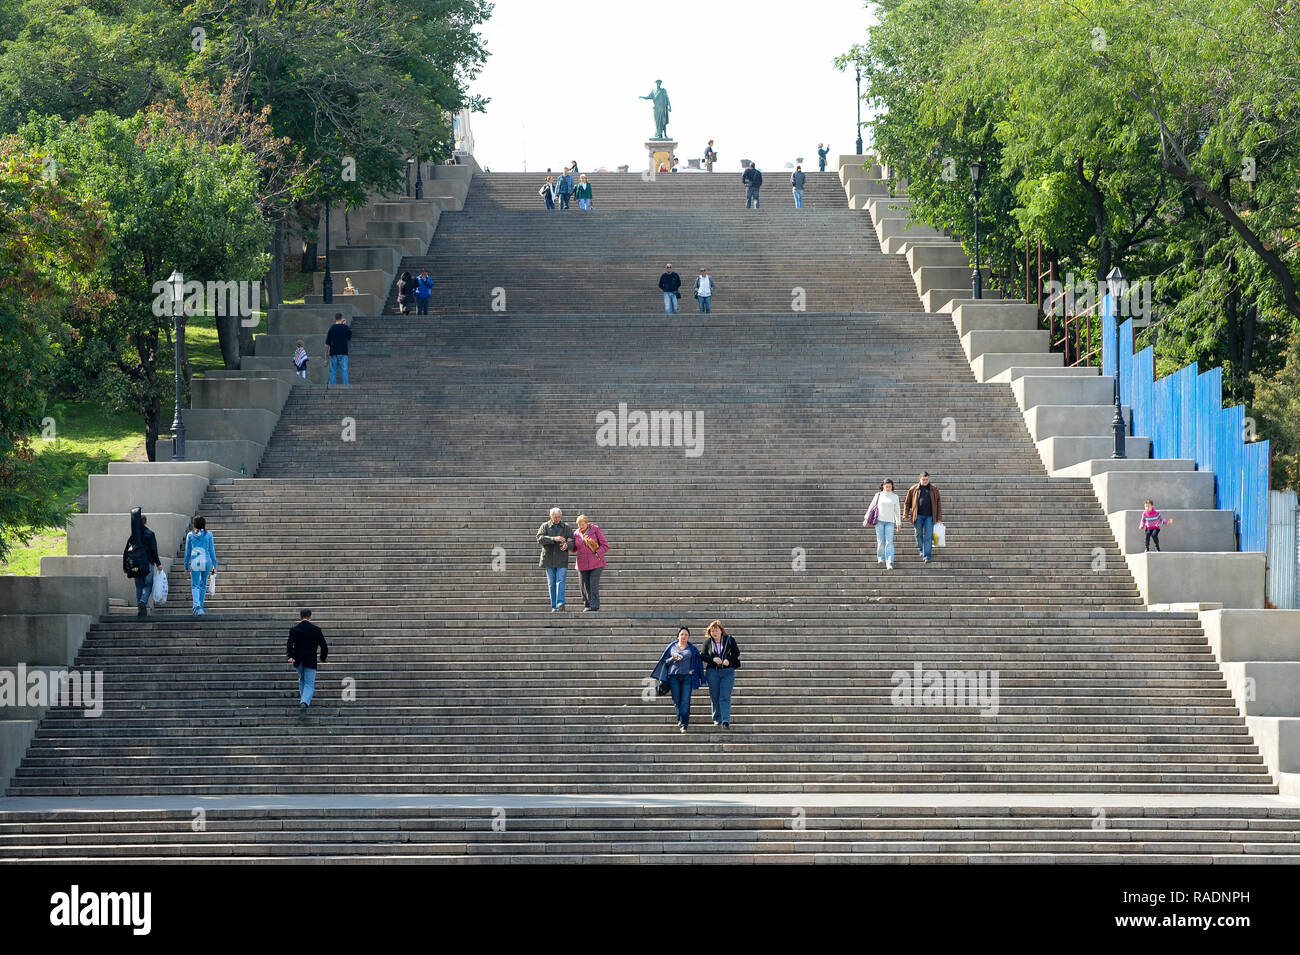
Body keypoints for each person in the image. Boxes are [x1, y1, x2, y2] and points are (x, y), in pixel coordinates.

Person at [651, 626, 704, 732]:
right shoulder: (672, 647)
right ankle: (679, 717)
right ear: (678, 636)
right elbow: (665, 662)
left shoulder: (692, 648)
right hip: (673, 677)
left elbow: (697, 662)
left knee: (685, 700)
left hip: (687, 677)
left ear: (688, 637)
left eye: (686, 635)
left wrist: (692, 670)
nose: (684, 636)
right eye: (682, 634)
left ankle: (684, 723)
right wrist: (673, 658)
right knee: (677, 700)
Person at [286, 609, 328, 717]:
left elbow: (289, 644)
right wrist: (322, 658)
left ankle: (303, 699)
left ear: (300, 617)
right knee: (309, 683)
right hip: (310, 660)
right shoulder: (316, 630)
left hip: (298, 659)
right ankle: (304, 702)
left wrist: (290, 656)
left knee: (302, 679)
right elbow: (324, 646)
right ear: (310, 617)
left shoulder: (294, 629)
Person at [122, 508, 162, 618]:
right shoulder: (150, 534)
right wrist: (158, 563)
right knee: (149, 585)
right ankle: (143, 601)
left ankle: (140, 610)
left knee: (139, 586)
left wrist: (125, 566)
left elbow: (126, 551)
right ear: (146, 522)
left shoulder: (133, 536)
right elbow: (154, 550)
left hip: (135, 565)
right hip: (148, 564)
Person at [702, 620, 741, 729]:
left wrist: (729, 660)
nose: (714, 633)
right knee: (714, 696)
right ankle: (717, 718)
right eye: (712, 631)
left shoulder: (729, 640)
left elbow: (736, 653)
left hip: (727, 672)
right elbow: (703, 655)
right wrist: (712, 659)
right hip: (712, 672)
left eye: (716, 630)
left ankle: (725, 720)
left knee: (724, 696)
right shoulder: (708, 642)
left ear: (721, 631)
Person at [536, 507, 574, 611]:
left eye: (558, 517)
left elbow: (573, 541)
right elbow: (539, 538)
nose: (557, 519)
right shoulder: (545, 526)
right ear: (550, 516)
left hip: (561, 559)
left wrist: (568, 545)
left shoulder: (566, 527)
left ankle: (560, 604)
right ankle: (554, 606)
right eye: (555, 517)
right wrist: (554, 538)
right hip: (549, 559)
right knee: (552, 583)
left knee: (560, 581)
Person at [903, 471, 944, 564]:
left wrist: (939, 517)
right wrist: (905, 514)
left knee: (928, 536)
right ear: (919, 479)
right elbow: (907, 503)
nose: (925, 481)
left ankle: (927, 556)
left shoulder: (934, 489)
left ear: (929, 479)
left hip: (930, 516)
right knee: (918, 534)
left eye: (927, 479)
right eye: (923, 479)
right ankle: (921, 549)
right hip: (918, 516)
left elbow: (938, 503)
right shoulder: (913, 489)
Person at [572, 513, 609, 611]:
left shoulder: (595, 530)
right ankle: (587, 605)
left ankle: (594, 605)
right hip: (582, 563)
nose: (580, 526)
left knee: (593, 583)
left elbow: (605, 545)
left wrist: (598, 552)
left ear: (587, 523)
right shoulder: (576, 533)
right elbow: (574, 549)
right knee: (584, 586)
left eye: (582, 524)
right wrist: (568, 544)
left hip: (596, 562)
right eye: (579, 524)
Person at [864, 478, 903, 570]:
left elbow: (897, 511)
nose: (888, 488)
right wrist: (866, 519)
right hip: (879, 521)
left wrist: (898, 523)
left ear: (892, 487)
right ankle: (881, 557)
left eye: (890, 486)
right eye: (886, 486)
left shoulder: (895, 497)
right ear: (883, 486)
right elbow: (871, 507)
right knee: (881, 541)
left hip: (890, 522)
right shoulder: (878, 495)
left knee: (889, 542)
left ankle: (889, 561)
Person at [183, 514, 218, 615]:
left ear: (194, 524)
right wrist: (215, 565)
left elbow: (187, 553)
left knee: (195, 585)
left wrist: (186, 566)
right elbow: (212, 551)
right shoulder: (209, 535)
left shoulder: (190, 535)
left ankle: (196, 604)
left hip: (195, 561)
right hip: (207, 560)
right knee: (203, 584)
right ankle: (201, 608)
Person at [324, 312, 351, 385]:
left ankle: (332, 386)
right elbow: (349, 337)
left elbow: (327, 344)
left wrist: (326, 358)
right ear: (342, 318)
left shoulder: (331, 328)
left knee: (333, 370)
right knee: (344, 370)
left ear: (335, 318)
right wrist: (345, 324)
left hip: (333, 352)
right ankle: (345, 386)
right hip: (343, 352)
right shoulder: (345, 327)